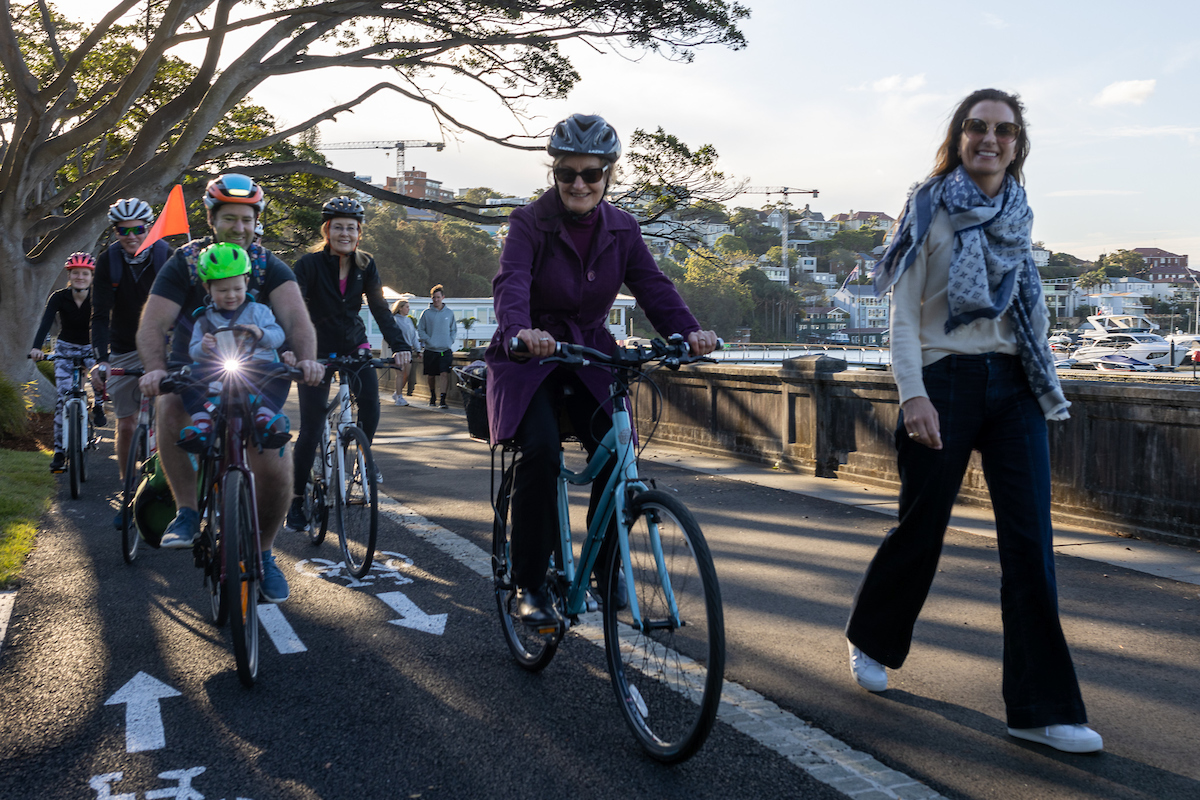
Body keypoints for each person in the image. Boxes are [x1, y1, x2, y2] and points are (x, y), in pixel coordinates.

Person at [844, 89, 1102, 754]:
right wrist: (912, 394)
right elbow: (903, 316)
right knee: (921, 527)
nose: (991, 139)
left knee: (1030, 545)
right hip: (943, 382)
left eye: (1005, 131)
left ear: (1018, 145)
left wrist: (1045, 375)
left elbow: (1028, 306)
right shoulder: (927, 208)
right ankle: (872, 637)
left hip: (1014, 385)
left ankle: (1040, 708)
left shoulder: (1018, 212)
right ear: (959, 137)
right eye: (978, 128)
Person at [485, 113, 718, 625]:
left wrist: (690, 331)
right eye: (566, 173)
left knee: (619, 454)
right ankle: (528, 584)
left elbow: (653, 286)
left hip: (591, 351)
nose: (578, 184)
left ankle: (602, 569)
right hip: (534, 357)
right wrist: (521, 331)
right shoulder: (528, 222)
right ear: (554, 175)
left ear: (608, 175)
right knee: (542, 452)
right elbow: (512, 281)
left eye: (591, 174)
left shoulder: (623, 226)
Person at [137, 173, 323, 604]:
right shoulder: (184, 263)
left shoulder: (269, 265)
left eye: (246, 220)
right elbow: (154, 323)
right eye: (230, 219)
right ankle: (186, 512)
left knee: (276, 467)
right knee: (169, 407)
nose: (239, 227)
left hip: (258, 374)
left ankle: (264, 553)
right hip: (194, 371)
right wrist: (154, 369)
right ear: (211, 218)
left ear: (257, 221)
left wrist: (307, 358)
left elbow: (296, 320)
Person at [286, 196, 412, 531]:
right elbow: (294, 310)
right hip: (316, 348)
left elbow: (381, 309)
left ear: (359, 233)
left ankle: (359, 457)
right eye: (338, 227)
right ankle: (296, 500)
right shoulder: (308, 265)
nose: (345, 233)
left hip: (354, 343)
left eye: (352, 228)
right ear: (327, 231)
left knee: (370, 403)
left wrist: (400, 346)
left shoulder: (365, 265)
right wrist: (291, 349)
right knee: (312, 428)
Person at [90, 197, 174, 526]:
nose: (131, 236)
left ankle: (170, 489)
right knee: (125, 424)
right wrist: (101, 360)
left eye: (138, 229)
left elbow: (181, 304)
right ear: (115, 231)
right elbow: (99, 316)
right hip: (123, 346)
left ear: (149, 227)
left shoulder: (166, 256)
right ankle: (128, 493)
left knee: (170, 421)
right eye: (123, 230)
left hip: (164, 345)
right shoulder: (107, 261)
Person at [177, 242, 293, 453]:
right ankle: (202, 421)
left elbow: (278, 336)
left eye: (237, 289)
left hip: (257, 369)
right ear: (207, 288)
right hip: (218, 372)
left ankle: (265, 415)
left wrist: (260, 333)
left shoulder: (259, 311)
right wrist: (203, 347)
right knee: (187, 376)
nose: (231, 295)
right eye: (222, 290)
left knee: (283, 373)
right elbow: (193, 350)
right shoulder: (203, 320)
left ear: (247, 282)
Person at [29, 253, 100, 472]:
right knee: (63, 399)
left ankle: (98, 406)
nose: (80, 277)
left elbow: (106, 324)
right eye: (76, 273)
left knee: (100, 377)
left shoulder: (98, 297)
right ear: (69, 275)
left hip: (89, 347)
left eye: (85, 274)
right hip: (65, 348)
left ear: (91, 276)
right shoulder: (58, 297)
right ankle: (59, 452)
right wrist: (37, 348)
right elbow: (46, 322)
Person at [417, 285, 456, 408]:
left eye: (438, 297)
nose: (436, 300)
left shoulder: (449, 313)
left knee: (445, 373)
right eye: (434, 298)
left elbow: (453, 329)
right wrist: (428, 340)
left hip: (445, 350)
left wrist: (449, 341)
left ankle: (443, 399)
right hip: (430, 350)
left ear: (443, 297)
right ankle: (433, 395)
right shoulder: (426, 313)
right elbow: (420, 330)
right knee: (431, 375)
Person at [389, 297, 419, 405]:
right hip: (398, 349)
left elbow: (413, 336)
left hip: (408, 349)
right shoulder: (394, 320)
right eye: (406, 307)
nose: (408, 309)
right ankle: (399, 397)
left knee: (407, 373)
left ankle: (397, 393)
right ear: (400, 308)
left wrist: (418, 349)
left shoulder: (409, 320)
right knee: (400, 373)